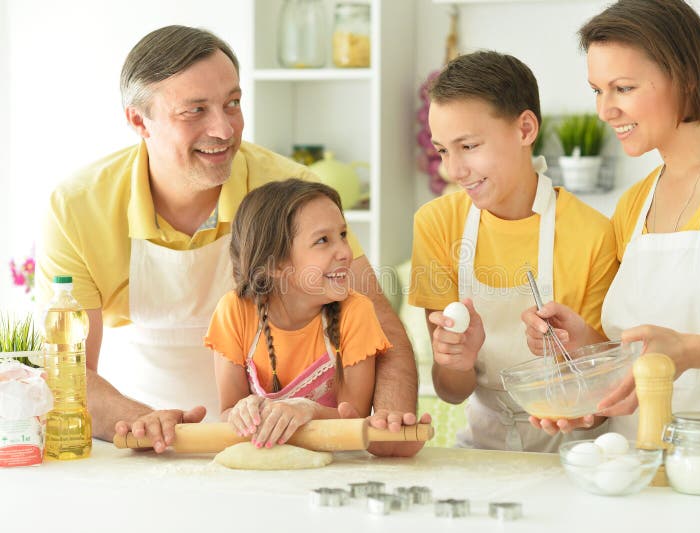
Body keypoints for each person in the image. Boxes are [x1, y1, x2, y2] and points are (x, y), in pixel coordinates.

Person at [35, 25, 425, 456]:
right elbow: (66, 371)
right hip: (138, 440)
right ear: (138, 121)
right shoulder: (76, 207)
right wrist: (142, 419)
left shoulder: (292, 192)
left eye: (233, 104)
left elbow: (384, 333)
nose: (224, 129)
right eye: (195, 110)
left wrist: (393, 429)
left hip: (282, 444)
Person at [523, 0, 700, 465]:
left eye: (623, 88)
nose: (605, 110)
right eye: (597, 90)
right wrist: (583, 348)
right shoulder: (634, 205)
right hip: (639, 469)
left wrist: (689, 351)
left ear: (685, 77)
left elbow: (678, 351)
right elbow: (636, 363)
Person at [408, 51, 619, 452]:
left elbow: (606, 396)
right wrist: (457, 360)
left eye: (468, 145)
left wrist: (572, 350)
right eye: (443, 151)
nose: (454, 170)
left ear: (525, 129)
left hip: (574, 453)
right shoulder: (436, 224)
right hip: (481, 451)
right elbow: (450, 390)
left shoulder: (594, 234)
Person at [206, 179, 389, 447]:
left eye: (343, 235)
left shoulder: (356, 312)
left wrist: (308, 410)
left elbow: (354, 418)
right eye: (323, 240)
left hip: (337, 463)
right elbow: (227, 413)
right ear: (275, 264)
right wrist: (241, 413)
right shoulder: (235, 312)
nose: (345, 252)